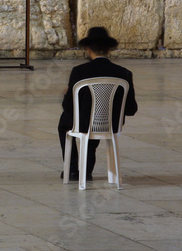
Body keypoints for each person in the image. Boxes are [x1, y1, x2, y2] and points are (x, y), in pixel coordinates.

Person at [58, 27, 138, 181]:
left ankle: (73, 169)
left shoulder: (79, 72)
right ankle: (86, 170)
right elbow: (131, 109)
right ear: (109, 50)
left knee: (66, 123)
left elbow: (68, 107)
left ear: (88, 49)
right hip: (112, 124)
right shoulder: (124, 73)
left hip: (84, 123)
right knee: (94, 119)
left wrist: (68, 95)